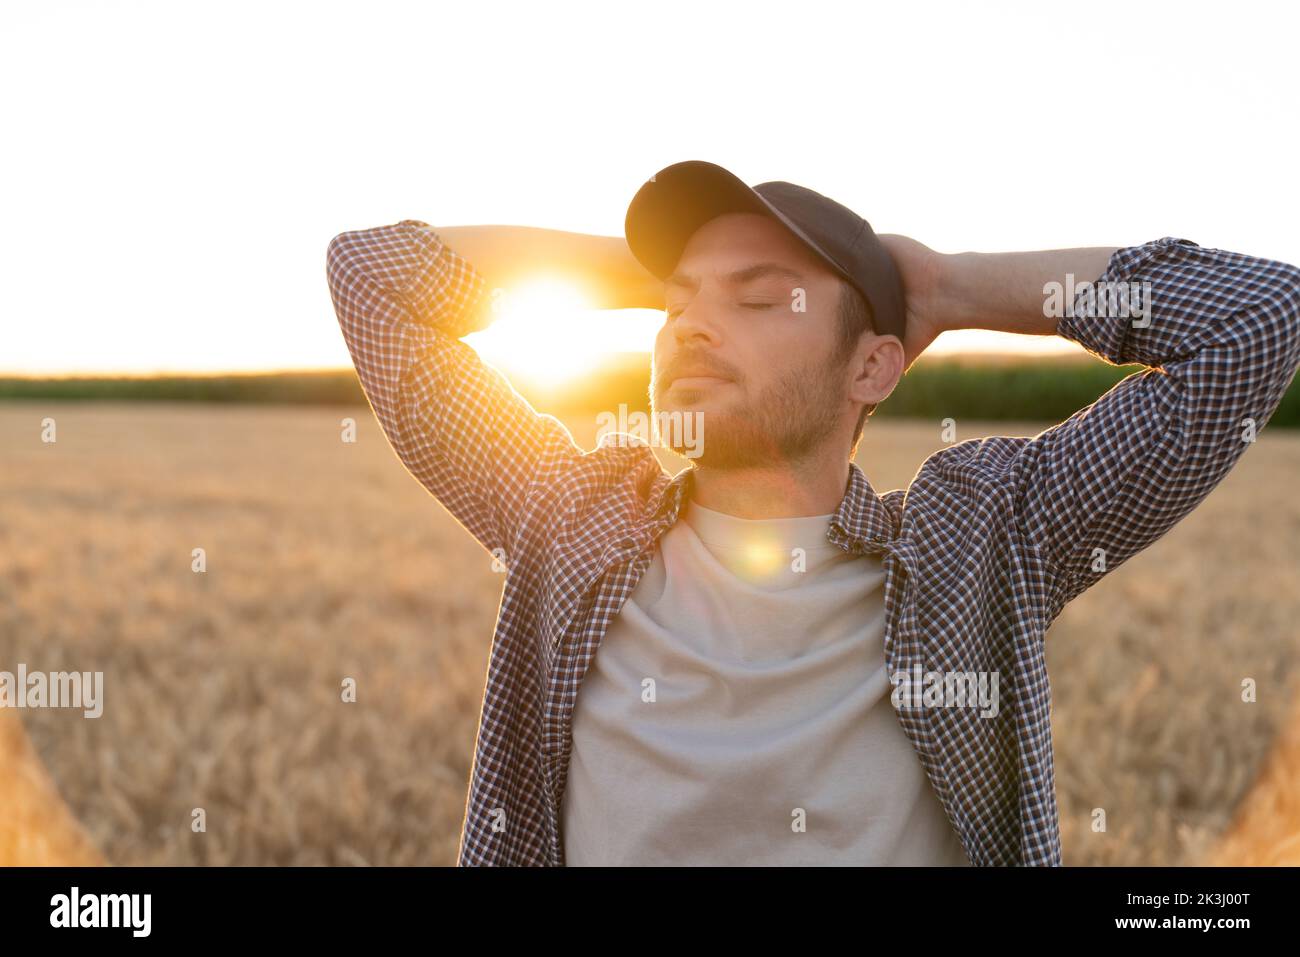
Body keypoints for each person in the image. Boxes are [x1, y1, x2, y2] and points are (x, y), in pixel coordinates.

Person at [325, 160, 1300, 866]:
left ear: (872, 364)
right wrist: (648, 270)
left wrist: (951, 286)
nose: (694, 324)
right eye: (677, 305)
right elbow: (374, 278)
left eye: (761, 299)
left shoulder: (981, 541)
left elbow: (1257, 319)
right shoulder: (567, 515)